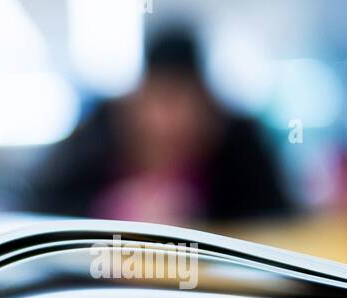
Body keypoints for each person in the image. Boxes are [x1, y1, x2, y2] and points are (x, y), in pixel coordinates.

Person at [28, 27, 291, 224]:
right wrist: (112, 207)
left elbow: (278, 216)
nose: (175, 119)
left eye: (189, 100)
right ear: (136, 100)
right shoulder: (96, 136)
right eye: (164, 98)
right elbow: (39, 207)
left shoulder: (240, 143)